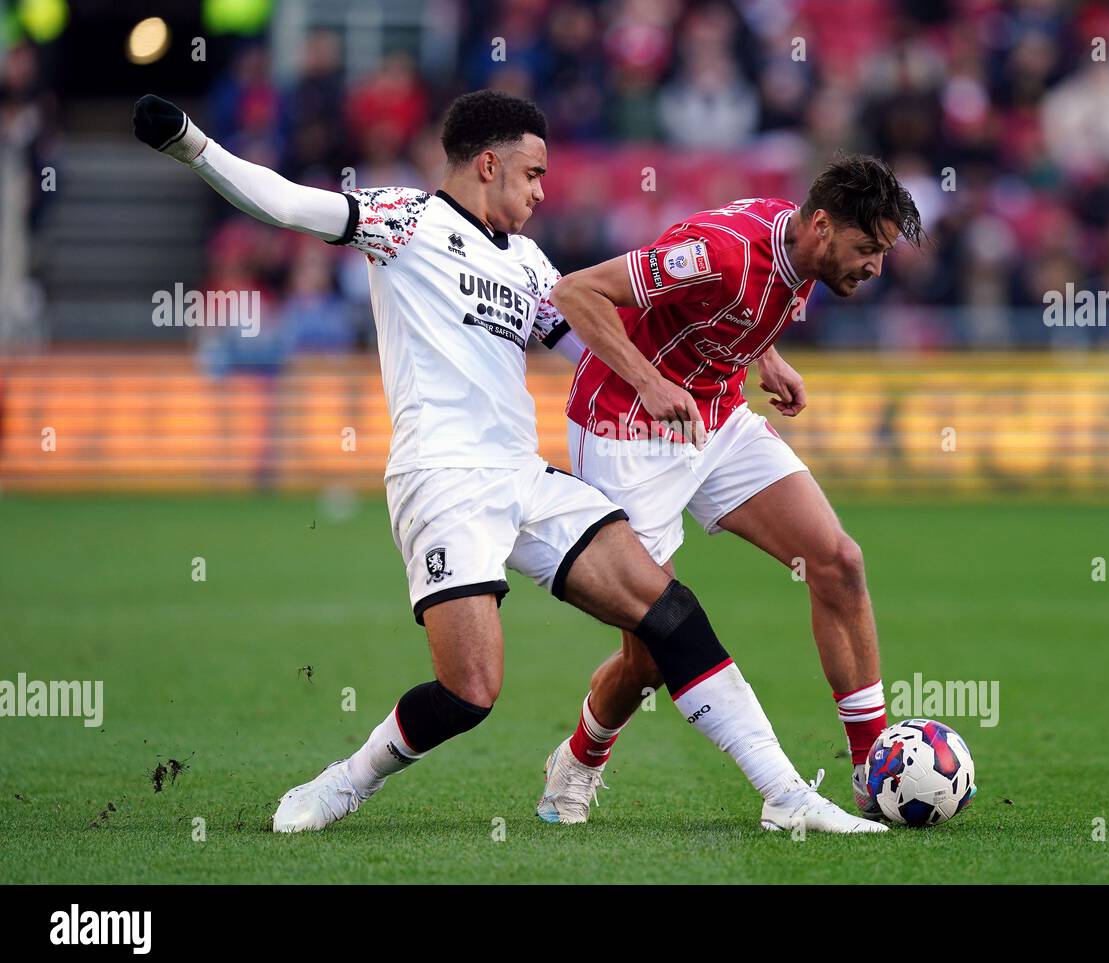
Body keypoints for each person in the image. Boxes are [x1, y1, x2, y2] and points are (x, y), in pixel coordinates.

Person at [131, 89, 884, 835]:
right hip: (443, 480)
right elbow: (291, 206)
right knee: (471, 691)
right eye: (532, 175)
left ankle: (785, 792)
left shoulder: (527, 262)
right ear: (488, 165)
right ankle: (346, 780)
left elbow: (602, 334)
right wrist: (193, 144)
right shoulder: (405, 222)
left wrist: (738, 356)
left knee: (671, 615)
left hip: (524, 478)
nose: (541, 190)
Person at [537, 158, 935, 824]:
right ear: (821, 225)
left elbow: (733, 309)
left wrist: (765, 354)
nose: (874, 267)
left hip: (715, 417)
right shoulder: (717, 252)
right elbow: (577, 293)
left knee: (839, 563)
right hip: (628, 431)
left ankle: (872, 770)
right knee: (651, 653)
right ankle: (577, 762)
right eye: (868, 249)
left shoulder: (801, 251)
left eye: (882, 253)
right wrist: (648, 382)